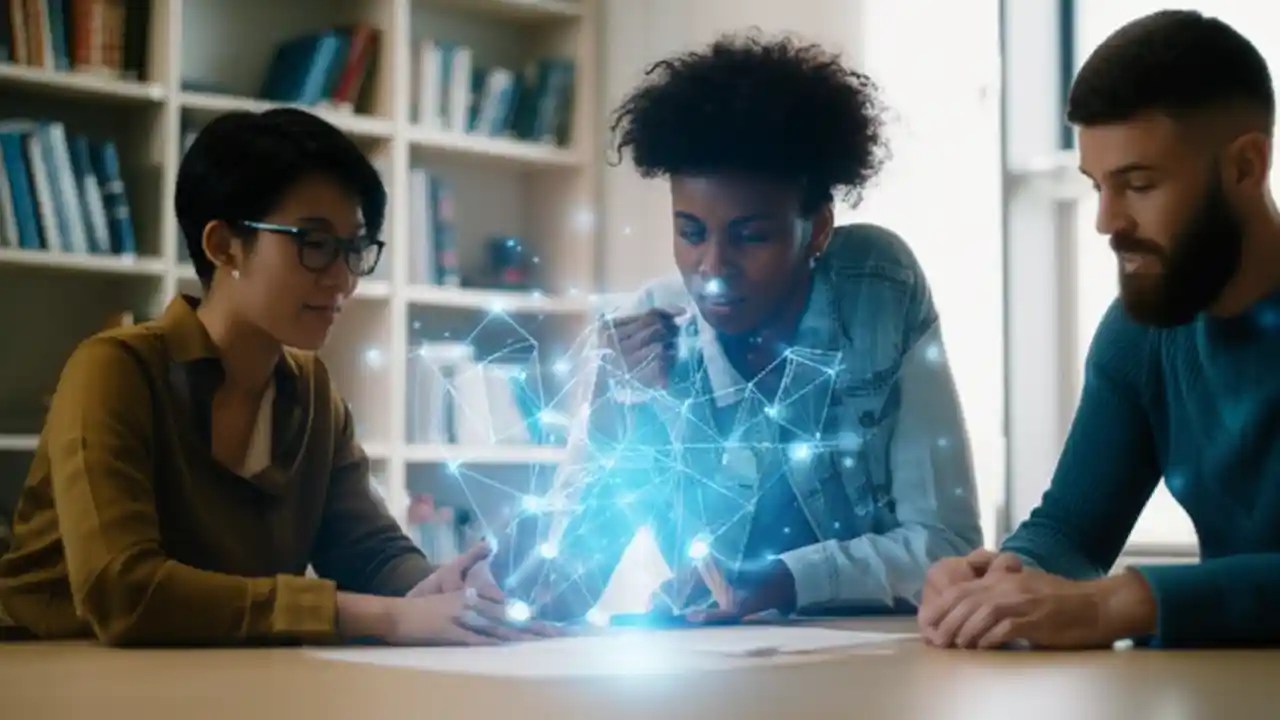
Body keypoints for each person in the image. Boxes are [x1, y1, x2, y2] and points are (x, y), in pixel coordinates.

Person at [0, 108, 543, 647]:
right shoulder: (115, 370)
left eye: (354, 249)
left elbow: (367, 552)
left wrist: (436, 587)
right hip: (53, 669)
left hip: (218, 677)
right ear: (223, 246)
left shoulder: (310, 390)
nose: (343, 279)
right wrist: (381, 617)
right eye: (314, 243)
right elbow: (124, 591)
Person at [497, 32, 983, 623]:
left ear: (819, 229)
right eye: (691, 232)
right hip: (720, 672)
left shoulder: (876, 290)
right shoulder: (650, 333)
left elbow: (947, 548)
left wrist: (780, 581)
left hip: (880, 663)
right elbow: (566, 586)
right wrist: (609, 410)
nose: (713, 270)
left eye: (751, 235)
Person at [919, 10, 1280, 650]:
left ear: (1246, 167)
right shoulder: (1142, 334)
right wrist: (998, 579)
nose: (1107, 222)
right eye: (1097, 187)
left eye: (1139, 184)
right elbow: (1072, 531)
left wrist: (1123, 602)